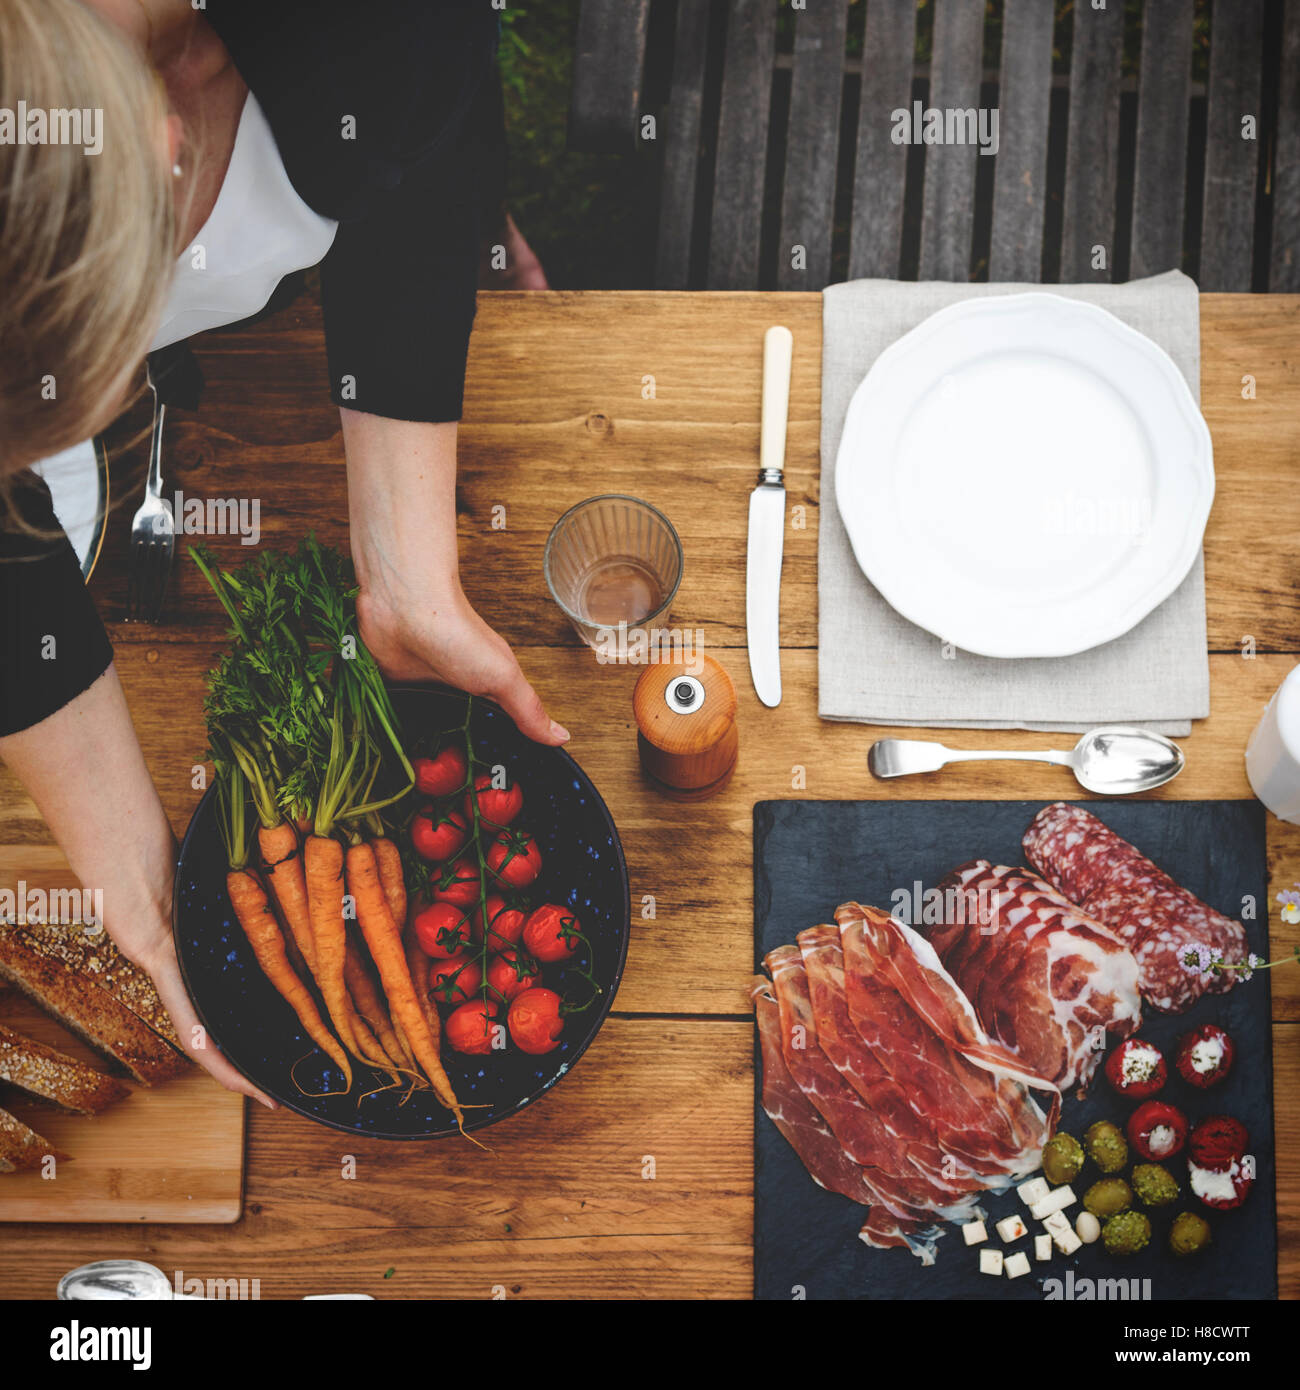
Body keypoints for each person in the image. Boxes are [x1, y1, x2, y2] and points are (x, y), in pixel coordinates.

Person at [0, 0, 565, 1106]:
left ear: (170, 150)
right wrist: (130, 878)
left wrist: (408, 563)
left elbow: (418, 139)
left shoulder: (366, 31)